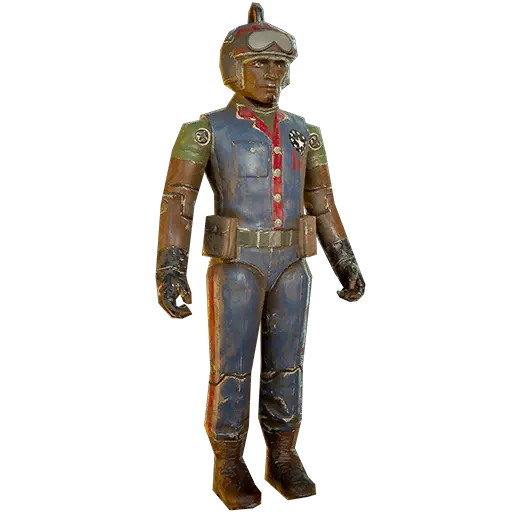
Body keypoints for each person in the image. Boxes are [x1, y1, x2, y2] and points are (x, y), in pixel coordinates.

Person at [156, 3, 365, 510]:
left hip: (292, 263)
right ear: (234, 67)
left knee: (287, 364)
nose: (273, 74)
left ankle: (283, 457)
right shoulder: (207, 131)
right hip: (237, 266)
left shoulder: (304, 133)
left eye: (280, 64)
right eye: (261, 64)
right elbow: (178, 200)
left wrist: (343, 258)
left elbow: (321, 199)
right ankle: (228, 462)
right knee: (231, 364)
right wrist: (171, 267)